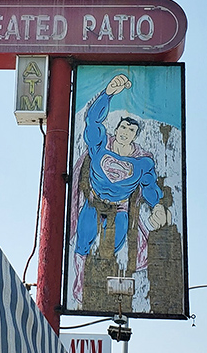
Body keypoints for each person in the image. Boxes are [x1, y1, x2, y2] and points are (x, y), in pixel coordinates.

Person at [71, 73, 170, 306]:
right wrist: (107, 94)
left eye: (131, 130)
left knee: (113, 247)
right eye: (123, 127)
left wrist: (157, 205)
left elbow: (149, 186)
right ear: (117, 129)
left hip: (120, 209)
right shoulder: (100, 144)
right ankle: (79, 282)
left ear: (136, 135)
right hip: (93, 203)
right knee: (83, 242)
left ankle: (105, 286)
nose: (126, 132)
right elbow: (92, 121)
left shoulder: (142, 161)